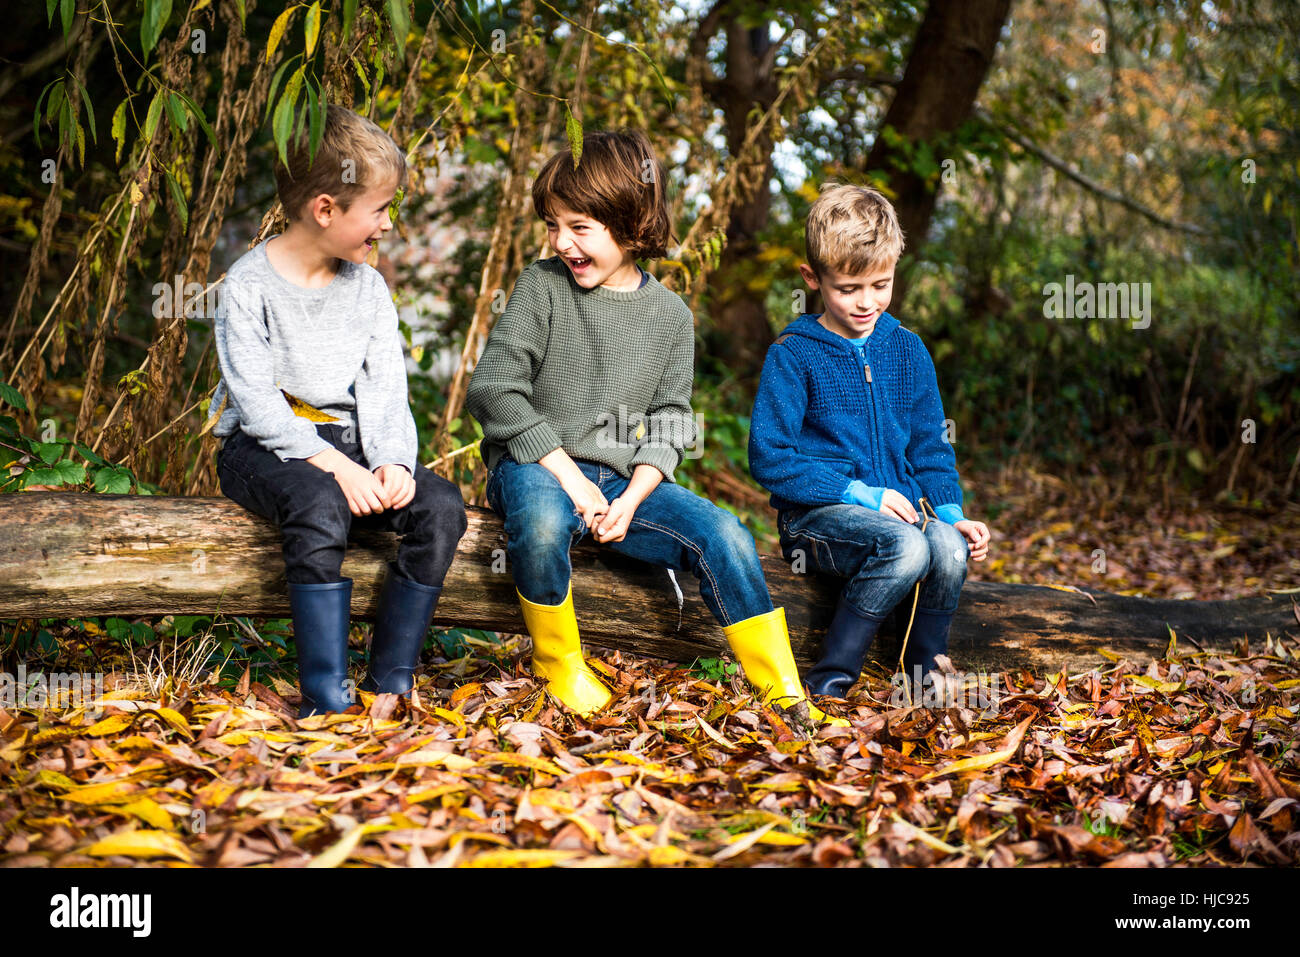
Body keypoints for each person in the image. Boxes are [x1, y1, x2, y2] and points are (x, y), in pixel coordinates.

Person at [465, 129, 845, 728]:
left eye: (579, 228)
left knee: (724, 532)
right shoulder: (542, 287)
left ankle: (784, 694)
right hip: (538, 466)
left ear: (630, 222)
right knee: (540, 526)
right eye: (554, 226)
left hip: (623, 485)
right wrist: (567, 476)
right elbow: (493, 390)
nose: (562, 242)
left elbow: (670, 418)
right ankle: (559, 666)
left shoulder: (670, 315)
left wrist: (632, 497)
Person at [209, 105, 467, 718]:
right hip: (264, 448)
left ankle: (390, 680)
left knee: (440, 507)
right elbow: (259, 407)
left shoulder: (368, 287)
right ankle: (325, 693)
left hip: (351, 443)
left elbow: (383, 389)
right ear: (326, 209)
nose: (386, 225)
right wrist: (338, 470)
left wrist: (392, 464)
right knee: (321, 504)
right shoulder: (247, 288)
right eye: (378, 210)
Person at [748, 183, 992, 701]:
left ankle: (924, 677)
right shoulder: (794, 355)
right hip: (818, 520)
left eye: (880, 286)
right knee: (904, 545)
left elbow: (930, 446)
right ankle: (830, 678)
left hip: (902, 512)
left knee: (948, 550)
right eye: (848, 289)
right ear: (813, 279)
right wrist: (859, 493)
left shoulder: (907, 349)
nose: (866, 303)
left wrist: (951, 513)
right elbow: (770, 457)